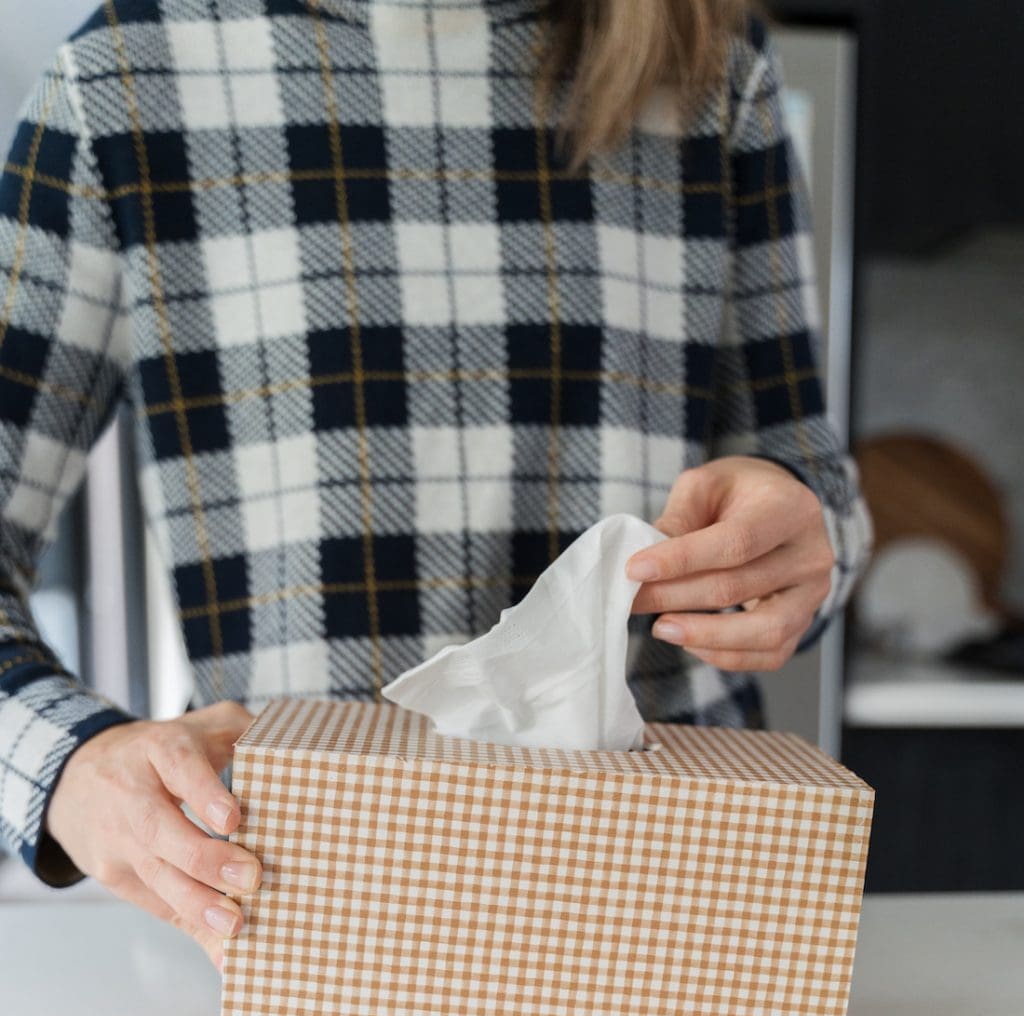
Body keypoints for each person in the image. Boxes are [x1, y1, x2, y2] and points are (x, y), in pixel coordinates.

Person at [0, 0, 871, 967]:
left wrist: (799, 549)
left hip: (674, 911)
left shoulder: (710, 59)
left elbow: (814, 498)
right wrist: (69, 763)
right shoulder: (128, 75)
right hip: (323, 918)